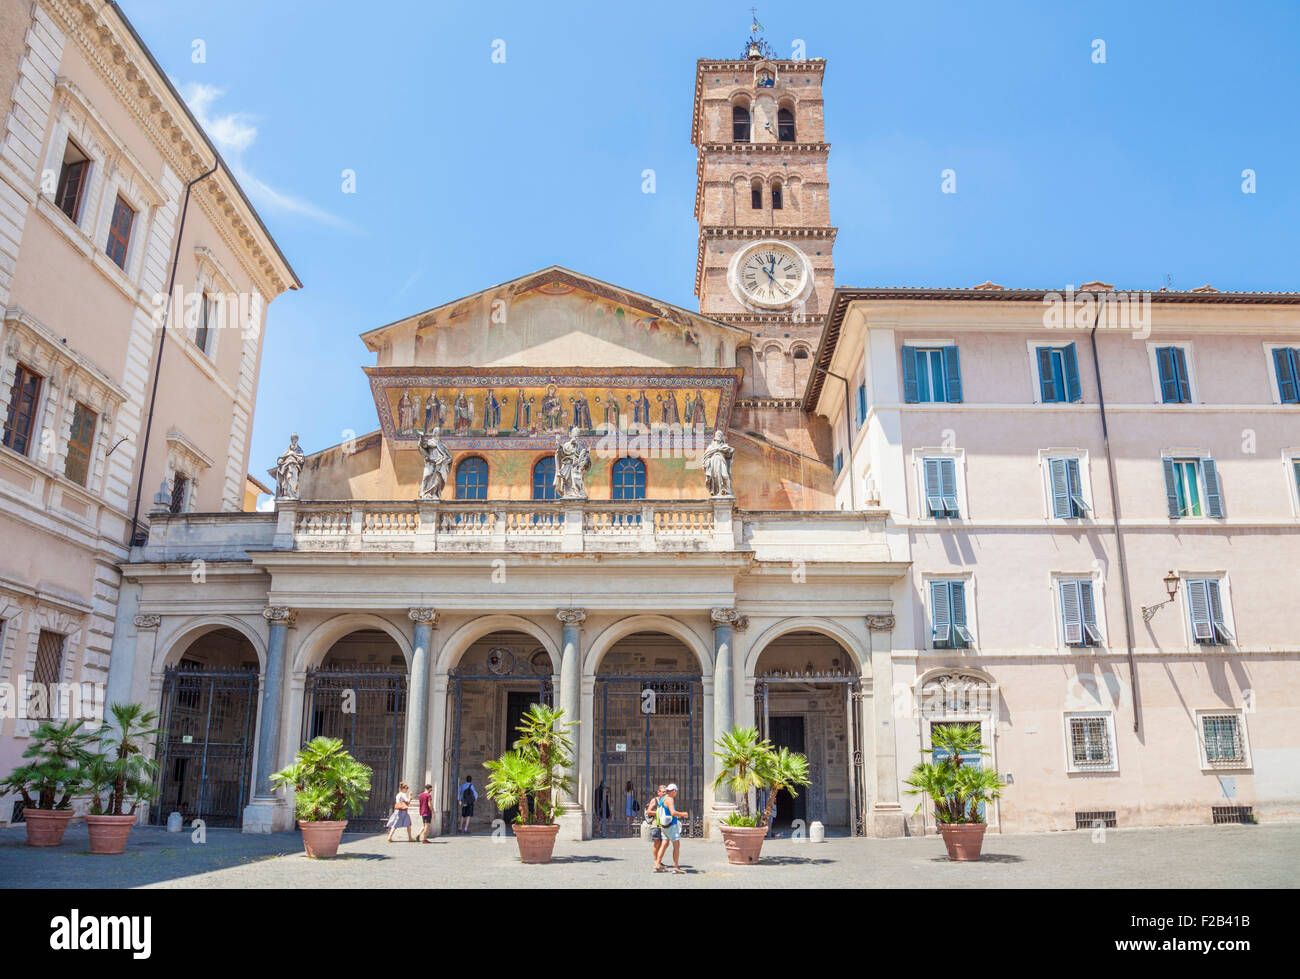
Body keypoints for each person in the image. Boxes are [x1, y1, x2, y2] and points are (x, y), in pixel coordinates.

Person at [653, 783, 689, 874]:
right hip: (671, 825)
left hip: (664, 825)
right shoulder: (670, 799)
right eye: (676, 791)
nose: (676, 793)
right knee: (676, 845)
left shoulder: (663, 799)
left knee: (664, 844)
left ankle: (657, 864)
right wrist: (683, 814)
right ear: (673, 791)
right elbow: (672, 812)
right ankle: (676, 867)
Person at [645, 784, 666, 865]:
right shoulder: (655, 800)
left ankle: (659, 860)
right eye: (663, 792)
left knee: (662, 843)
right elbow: (649, 811)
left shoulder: (667, 800)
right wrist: (658, 812)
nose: (664, 793)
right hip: (656, 824)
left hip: (664, 824)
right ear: (658, 792)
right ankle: (655, 860)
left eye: (665, 792)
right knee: (657, 843)